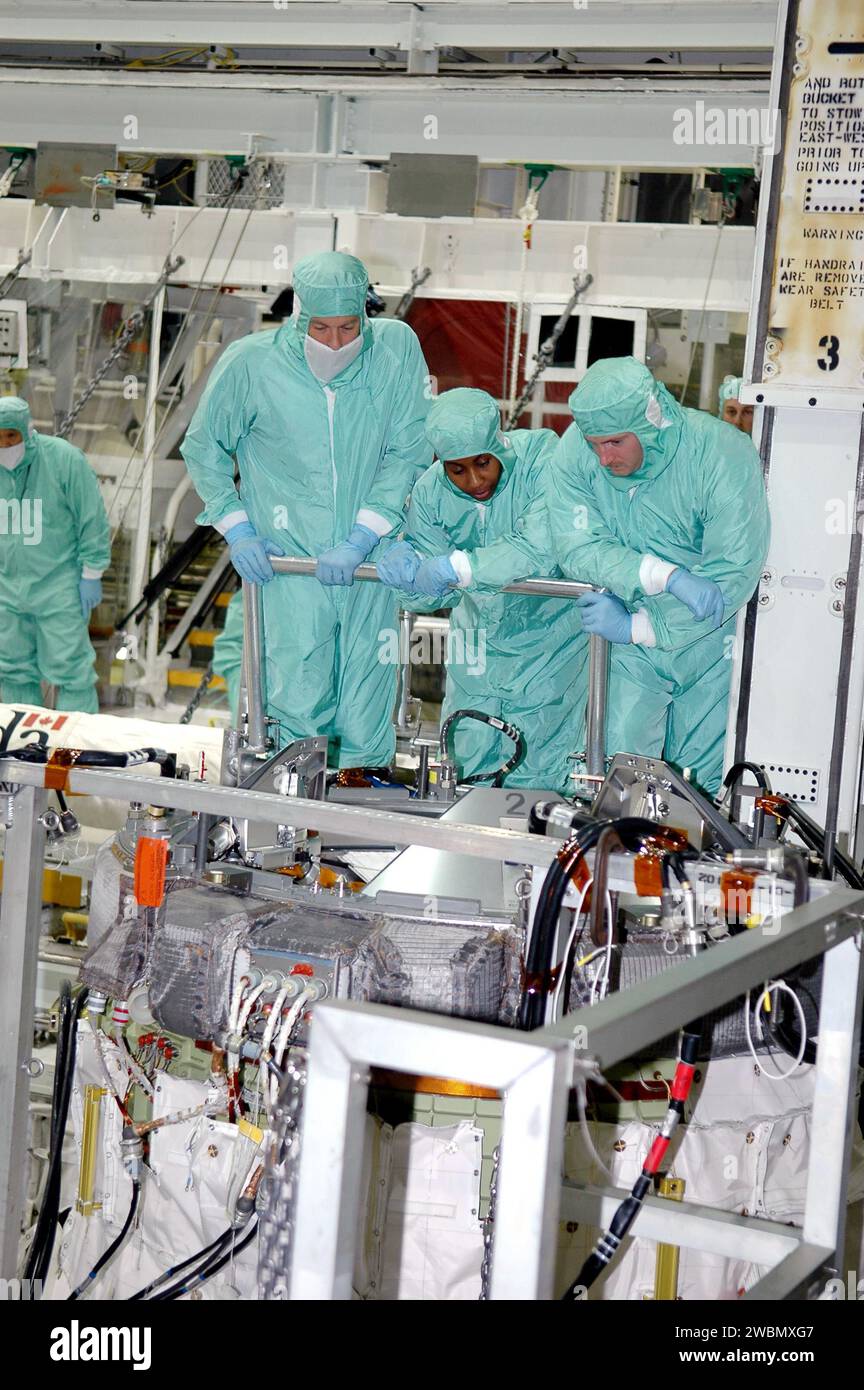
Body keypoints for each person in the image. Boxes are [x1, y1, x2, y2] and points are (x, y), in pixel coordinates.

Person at [181, 251, 432, 769]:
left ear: (365, 314)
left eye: (348, 327)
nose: (337, 342)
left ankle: (356, 836)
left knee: (367, 708)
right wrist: (239, 529)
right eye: (322, 328)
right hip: (290, 569)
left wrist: (365, 535)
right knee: (295, 702)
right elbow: (204, 449)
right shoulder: (251, 364)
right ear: (299, 317)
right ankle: (288, 832)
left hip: (368, 568)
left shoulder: (396, 350)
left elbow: (407, 449)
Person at [547, 357, 769, 795]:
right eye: (595, 444)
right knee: (619, 783)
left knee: (698, 795)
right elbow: (575, 544)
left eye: (614, 442)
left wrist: (642, 626)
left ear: (650, 420)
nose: (603, 458)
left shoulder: (720, 452)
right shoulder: (576, 451)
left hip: (710, 646)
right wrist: (658, 575)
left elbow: (732, 570)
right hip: (626, 644)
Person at [376, 388, 588, 793]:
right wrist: (404, 567)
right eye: (457, 470)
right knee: (466, 760)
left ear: (498, 443)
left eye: (483, 463)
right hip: (475, 645)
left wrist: (456, 566)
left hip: (549, 645)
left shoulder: (542, 461)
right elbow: (434, 594)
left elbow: (540, 548)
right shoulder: (431, 492)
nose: (474, 481)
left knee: (538, 771)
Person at [0, 395, 109, 714]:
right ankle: (22, 748)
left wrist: (92, 572)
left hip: (58, 585)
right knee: (12, 670)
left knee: (71, 670)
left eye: (11, 435)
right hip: (6, 587)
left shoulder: (63, 460)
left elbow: (92, 516)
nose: (5, 444)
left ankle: (75, 752)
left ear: (25, 430)